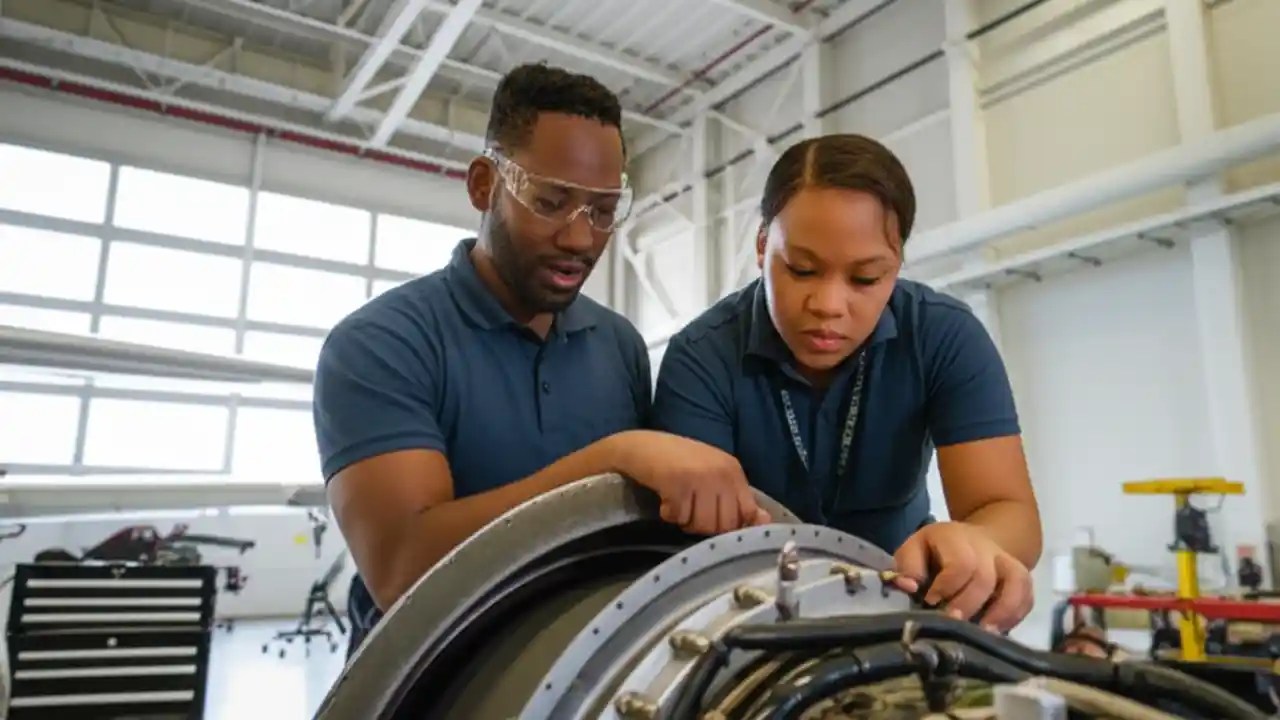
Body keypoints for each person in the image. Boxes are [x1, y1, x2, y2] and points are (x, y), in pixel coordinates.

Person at [312, 63, 769, 656]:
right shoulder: (381, 343)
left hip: (581, 669)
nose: (581, 239)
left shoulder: (619, 346)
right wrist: (612, 456)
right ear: (484, 185)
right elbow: (402, 570)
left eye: (603, 211)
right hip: (433, 681)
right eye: (551, 201)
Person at [649, 133, 1042, 633]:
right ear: (763, 246)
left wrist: (977, 543)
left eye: (865, 279)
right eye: (802, 269)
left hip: (902, 605)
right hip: (750, 616)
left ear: (897, 264)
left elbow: (1009, 511)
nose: (829, 305)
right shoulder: (701, 356)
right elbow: (691, 549)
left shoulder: (944, 336)